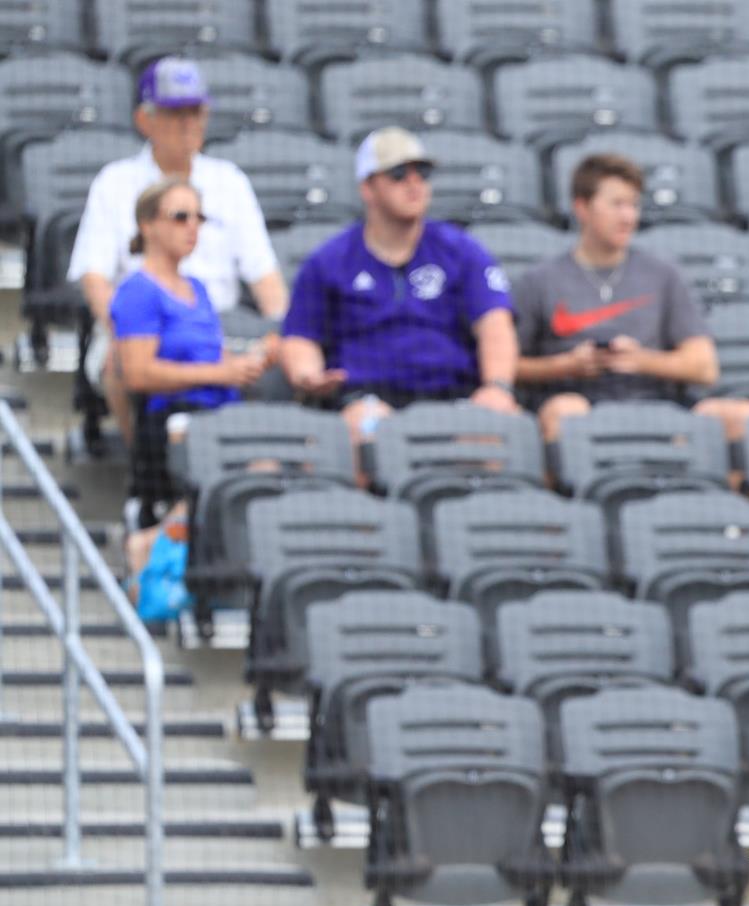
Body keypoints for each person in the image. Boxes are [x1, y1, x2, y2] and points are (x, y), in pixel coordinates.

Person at [67, 57, 286, 447]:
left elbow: (265, 276)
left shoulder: (229, 181)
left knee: (284, 354)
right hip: (146, 323)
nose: (189, 123)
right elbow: (94, 276)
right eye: (174, 113)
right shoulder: (115, 182)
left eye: (196, 111)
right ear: (144, 120)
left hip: (221, 323)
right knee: (123, 359)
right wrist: (126, 333)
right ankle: (146, 476)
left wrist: (280, 333)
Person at [279, 127, 519, 467]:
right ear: (367, 188)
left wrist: (497, 387)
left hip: (452, 396)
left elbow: (495, 323)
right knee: (360, 437)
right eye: (397, 174)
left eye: (422, 173)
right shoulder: (329, 261)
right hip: (368, 397)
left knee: (498, 432)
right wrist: (308, 376)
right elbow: (300, 336)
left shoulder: (461, 250)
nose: (414, 183)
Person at [513, 152, 749, 451]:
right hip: (581, 400)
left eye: (633, 205)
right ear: (582, 207)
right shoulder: (540, 280)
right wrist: (566, 365)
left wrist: (641, 360)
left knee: (747, 417)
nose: (628, 217)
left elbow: (704, 367)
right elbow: (508, 367)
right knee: (564, 412)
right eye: (616, 204)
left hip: (657, 403)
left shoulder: (662, 274)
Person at [109, 178, 268, 547]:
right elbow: (137, 372)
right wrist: (222, 372)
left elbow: (214, 358)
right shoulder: (137, 290)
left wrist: (251, 362)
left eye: (198, 217)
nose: (192, 226)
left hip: (223, 415)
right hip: (173, 424)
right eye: (181, 216)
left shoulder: (197, 288)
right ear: (147, 225)